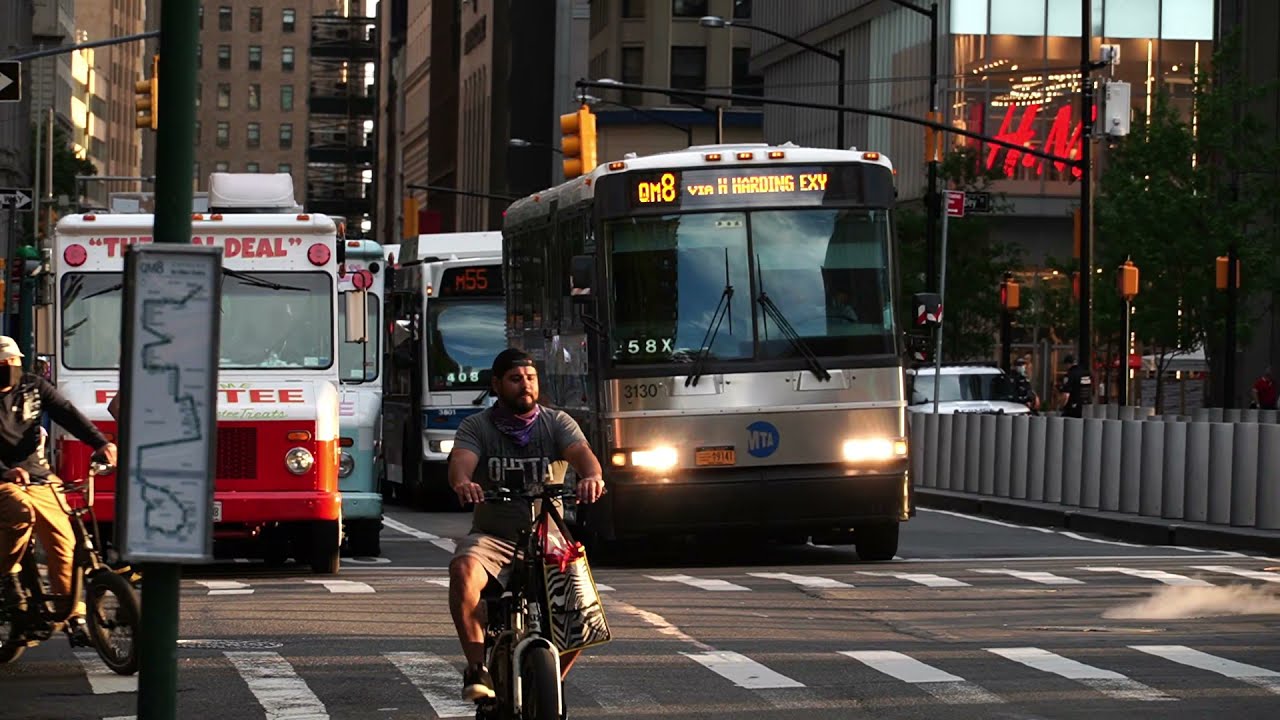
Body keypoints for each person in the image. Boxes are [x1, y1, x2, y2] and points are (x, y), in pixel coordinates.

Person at [446, 348, 606, 702]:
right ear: (497, 385)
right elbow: (461, 463)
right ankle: (477, 668)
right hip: (493, 538)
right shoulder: (477, 426)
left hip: (549, 538)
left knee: (584, 614)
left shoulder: (557, 422)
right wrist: (464, 483)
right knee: (462, 569)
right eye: (515, 379)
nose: (525, 385)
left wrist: (592, 477)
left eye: (530, 378)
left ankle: (548, 683)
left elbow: (584, 456)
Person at [0, 336, 117, 639]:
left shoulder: (33, 387)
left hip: (37, 476)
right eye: (2, 364)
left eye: (13, 362)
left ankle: (72, 614)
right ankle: (7, 573)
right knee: (20, 514)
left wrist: (101, 443)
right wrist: (5, 471)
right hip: (3, 479)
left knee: (64, 542)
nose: (9, 368)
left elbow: (66, 413)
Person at [1056, 354, 1089, 418]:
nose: (1066, 367)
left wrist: (1061, 405)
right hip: (1085, 405)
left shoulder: (1070, 374)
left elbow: (1066, 392)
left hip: (1072, 404)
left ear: (1068, 364)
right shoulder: (1084, 372)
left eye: (1065, 365)